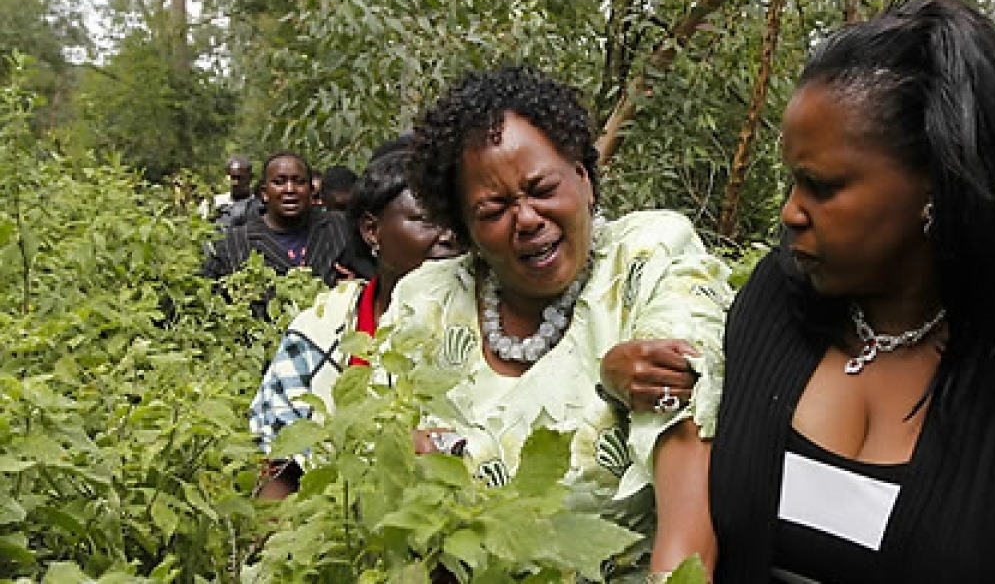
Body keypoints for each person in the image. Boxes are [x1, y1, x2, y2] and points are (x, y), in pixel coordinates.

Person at [689, 0, 995, 582]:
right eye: (792, 181)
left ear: (936, 184)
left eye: (822, 186)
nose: (790, 212)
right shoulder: (776, 299)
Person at [378, 66, 731, 581]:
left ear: (584, 178)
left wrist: (611, 380)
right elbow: (376, 464)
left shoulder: (648, 256)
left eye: (541, 188)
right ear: (465, 228)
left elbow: (685, 434)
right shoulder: (425, 301)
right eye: (493, 208)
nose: (526, 218)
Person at [249, 142, 461, 498]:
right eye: (428, 220)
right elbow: (278, 465)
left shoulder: (491, 325)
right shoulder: (323, 327)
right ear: (371, 231)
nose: (450, 236)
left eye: (459, 221)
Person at [201, 150, 354, 288]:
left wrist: (354, 287)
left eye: (299, 182)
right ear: (264, 193)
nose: (290, 189)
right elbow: (206, 295)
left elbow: (371, 277)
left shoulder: (340, 228)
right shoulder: (234, 244)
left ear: (311, 190)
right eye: (279, 182)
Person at [206, 156, 263, 229]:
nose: (236, 182)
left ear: (250, 178)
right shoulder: (215, 203)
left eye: (240, 178)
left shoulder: (259, 205)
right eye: (233, 177)